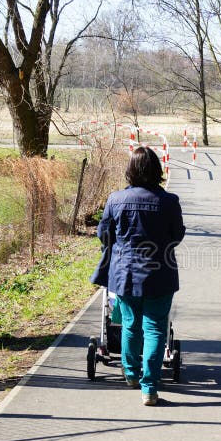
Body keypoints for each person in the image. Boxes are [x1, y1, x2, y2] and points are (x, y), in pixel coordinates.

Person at [91, 146, 185, 406]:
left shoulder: (116, 199)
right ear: (157, 169)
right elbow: (176, 235)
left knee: (130, 325)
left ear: (130, 170)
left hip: (125, 273)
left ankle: (131, 374)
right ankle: (150, 388)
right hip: (160, 273)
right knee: (155, 328)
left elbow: (104, 234)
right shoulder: (169, 201)